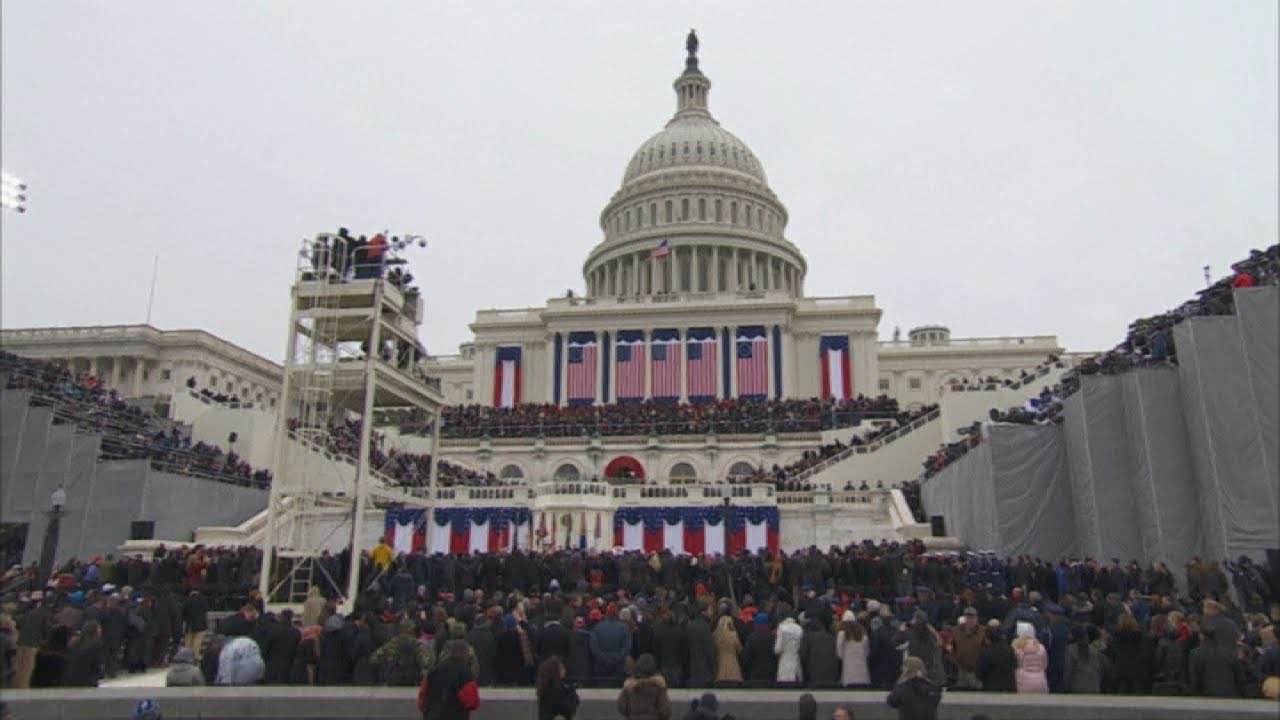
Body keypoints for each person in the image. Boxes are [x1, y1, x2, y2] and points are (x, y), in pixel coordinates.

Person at [419, 639, 481, 720]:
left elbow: (422, 699)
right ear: (465, 653)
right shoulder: (465, 673)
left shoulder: (434, 670)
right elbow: (472, 702)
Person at [372, 619, 434, 687]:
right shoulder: (416, 644)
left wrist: (387, 661)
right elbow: (426, 663)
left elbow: (374, 659)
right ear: (411, 629)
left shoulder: (392, 643)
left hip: (393, 682)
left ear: (400, 629)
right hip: (412, 683)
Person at [1188, 626, 1244, 698]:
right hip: (1229, 695)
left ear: (1201, 636)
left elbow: (1194, 679)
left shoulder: (1195, 653)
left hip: (1206, 696)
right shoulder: (1229, 654)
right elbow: (1240, 678)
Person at [617, 653, 671, 720]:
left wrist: (631, 715)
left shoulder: (629, 685)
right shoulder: (658, 685)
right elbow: (665, 711)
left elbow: (621, 707)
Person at [886, 656, 942, 720]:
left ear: (906, 670)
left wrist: (899, 681)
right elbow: (936, 701)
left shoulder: (902, 687)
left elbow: (891, 701)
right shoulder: (932, 687)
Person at [536, 656, 580, 720]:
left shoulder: (545, 687)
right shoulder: (555, 689)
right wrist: (572, 691)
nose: (565, 671)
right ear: (555, 670)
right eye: (562, 668)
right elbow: (567, 709)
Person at [62, 620, 103, 687]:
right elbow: (96, 667)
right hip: (85, 681)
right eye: (99, 630)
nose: (101, 632)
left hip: (68, 680)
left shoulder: (73, 644)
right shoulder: (94, 647)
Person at [1012, 622, 1048, 694]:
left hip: (1023, 680)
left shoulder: (1017, 648)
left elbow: (1016, 664)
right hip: (1040, 680)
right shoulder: (1041, 647)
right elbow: (1045, 664)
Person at [836, 610, 869, 688]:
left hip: (848, 673)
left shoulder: (841, 635)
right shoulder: (863, 635)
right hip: (862, 672)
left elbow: (839, 654)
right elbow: (867, 653)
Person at [1064, 625, 1101, 694]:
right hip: (1094, 687)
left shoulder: (1071, 650)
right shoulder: (1093, 650)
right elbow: (1097, 669)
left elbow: (1068, 671)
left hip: (1078, 688)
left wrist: (1066, 688)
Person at [712, 615, 742, 685]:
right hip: (733, 667)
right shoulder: (734, 635)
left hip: (719, 667)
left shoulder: (715, 635)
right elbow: (740, 650)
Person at [774, 614, 803, 684]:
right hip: (796, 660)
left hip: (784, 660)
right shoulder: (799, 628)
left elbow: (777, 649)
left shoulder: (781, 628)